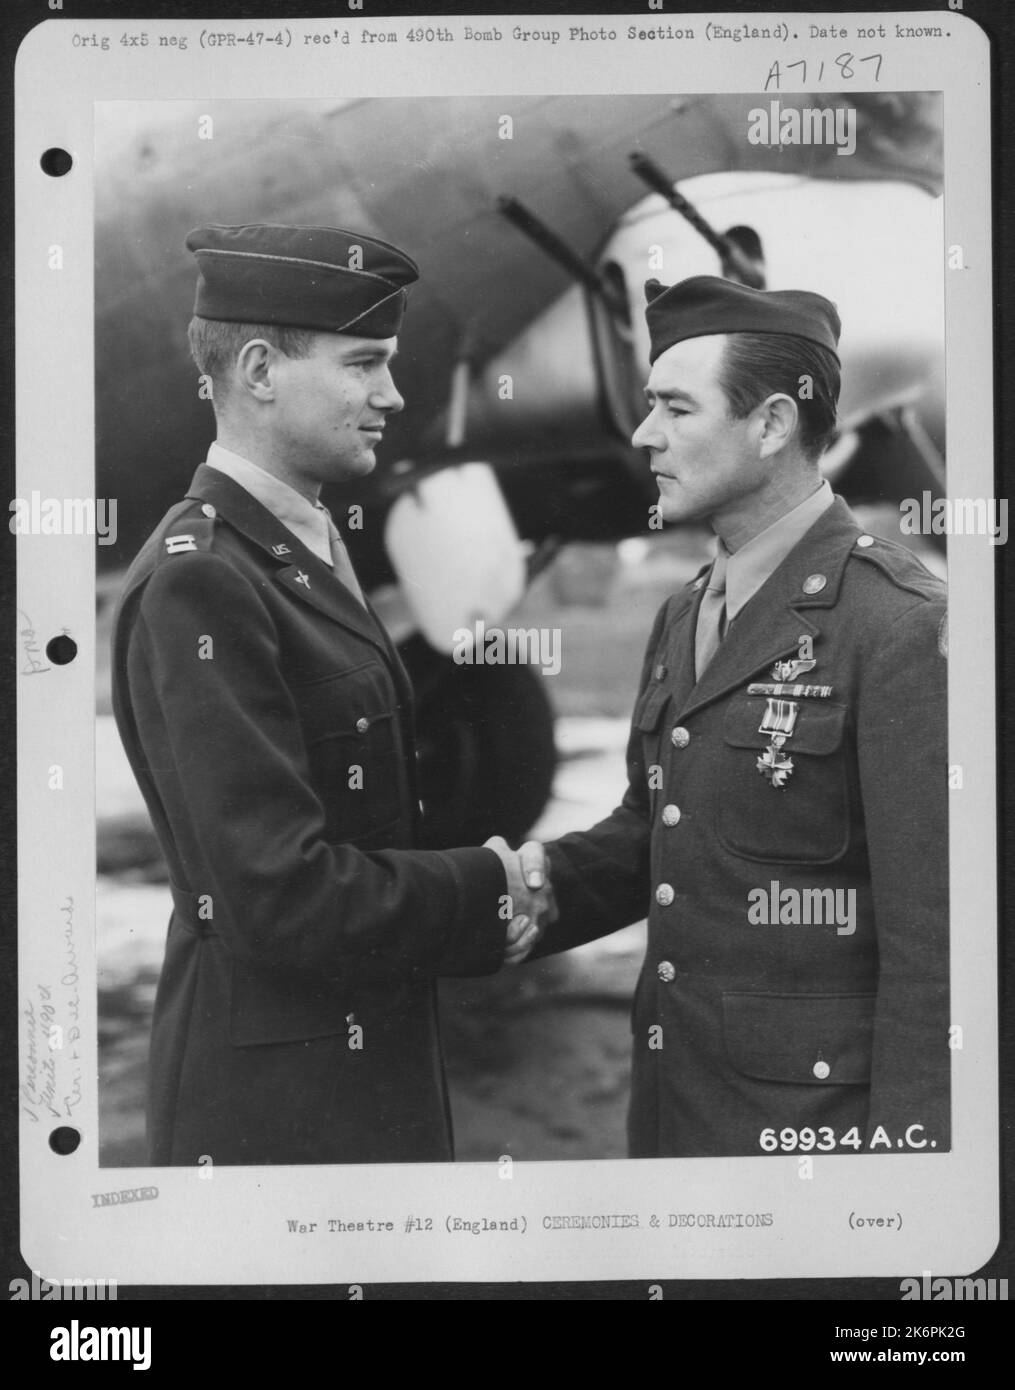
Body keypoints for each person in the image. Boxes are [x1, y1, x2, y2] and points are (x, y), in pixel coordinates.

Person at [111, 223, 549, 1166]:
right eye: (364, 365)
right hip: (277, 1110)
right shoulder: (205, 580)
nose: (392, 395)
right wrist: (490, 887)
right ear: (261, 370)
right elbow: (278, 898)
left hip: (359, 1070)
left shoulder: (300, 546)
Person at [510, 274, 950, 1159]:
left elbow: (936, 954)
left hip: (809, 1151)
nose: (643, 435)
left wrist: (903, 1189)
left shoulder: (900, 626)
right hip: (678, 1122)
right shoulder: (687, 611)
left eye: (675, 408)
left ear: (773, 425)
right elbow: (661, 830)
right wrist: (533, 883)